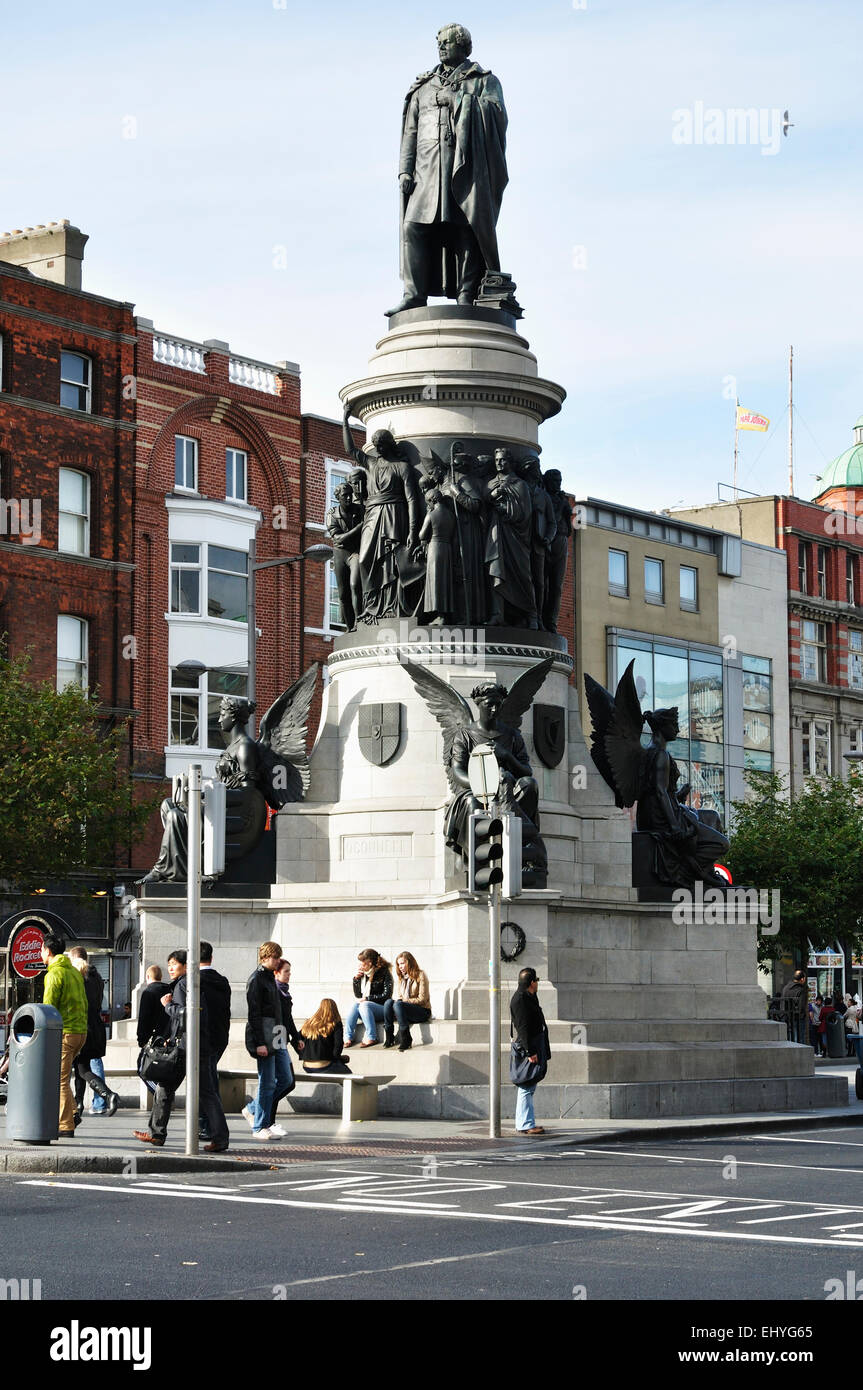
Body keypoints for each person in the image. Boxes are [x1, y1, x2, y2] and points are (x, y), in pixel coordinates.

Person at [389, 23, 509, 313]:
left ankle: (466, 294)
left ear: (463, 46)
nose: (441, 46)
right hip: (426, 171)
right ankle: (414, 294)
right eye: (439, 42)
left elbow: (497, 115)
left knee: (464, 228)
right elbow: (410, 132)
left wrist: (457, 100)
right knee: (413, 227)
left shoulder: (483, 80)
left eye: (447, 42)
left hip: (464, 169)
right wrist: (405, 170)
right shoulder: (423, 86)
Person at [133, 950, 190, 1147]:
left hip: (182, 1046)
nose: (171, 968)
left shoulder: (181, 986)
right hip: (180, 1044)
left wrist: (168, 1005)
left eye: (174, 964)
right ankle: (156, 1133)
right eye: (169, 964)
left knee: (166, 1088)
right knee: (164, 1088)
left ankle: (215, 1133)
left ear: (185, 965)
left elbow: (183, 1016)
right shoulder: (176, 985)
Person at [41, 934, 88, 1138]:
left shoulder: (54, 974)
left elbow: (48, 1009)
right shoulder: (74, 972)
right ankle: (73, 1113)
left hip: (65, 1033)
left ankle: (65, 1125)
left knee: (59, 1079)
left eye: (41, 949)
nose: (41, 953)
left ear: (48, 951)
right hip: (80, 1032)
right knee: (63, 1077)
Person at [243, 941, 291, 1141]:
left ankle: (254, 1112)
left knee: (285, 1079)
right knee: (267, 1082)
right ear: (265, 957)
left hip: (276, 1034)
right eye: (275, 957)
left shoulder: (269, 978)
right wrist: (260, 1042)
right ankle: (260, 1125)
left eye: (278, 957)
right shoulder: (256, 979)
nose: (278, 960)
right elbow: (254, 1013)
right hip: (266, 1035)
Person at [67, 947, 118, 1119]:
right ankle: (79, 1104)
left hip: (82, 1025)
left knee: (82, 1069)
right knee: (81, 1066)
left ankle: (107, 1094)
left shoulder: (79, 977)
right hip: (96, 1026)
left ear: (73, 959)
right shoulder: (97, 977)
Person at [198, 941, 231, 1152]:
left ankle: (206, 1126)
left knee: (206, 1087)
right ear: (211, 957)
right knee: (209, 1083)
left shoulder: (196, 981)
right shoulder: (222, 981)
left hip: (203, 1039)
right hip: (220, 1038)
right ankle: (208, 1127)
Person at [509, 966, 550, 1137]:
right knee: (526, 1085)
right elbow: (523, 1028)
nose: (538, 984)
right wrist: (530, 1052)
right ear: (532, 982)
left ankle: (524, 1122)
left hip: (534, 1044)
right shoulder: (521, 1000)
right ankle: (525, 1124)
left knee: (529, 1085)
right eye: (537, 981)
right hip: (528, 1046)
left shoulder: (528, 996)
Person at [265, 959, 303, 1138]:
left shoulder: (284, 993)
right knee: (284, 1081)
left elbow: (289, 1018)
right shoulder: (275, 992)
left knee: (288, 1082)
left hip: (282, 1040)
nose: (289, 974)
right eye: (286, 971)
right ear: (276, 973)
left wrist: (296, 1038)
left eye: (289, 971)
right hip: (275, 1040)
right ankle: (266, 1119)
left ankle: (261, 1114)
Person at [344, 949, 394, 1048]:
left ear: (369, 963)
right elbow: (358, 995)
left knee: (364, 1005)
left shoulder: (384, 973)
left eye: (362, 962)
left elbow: (387, 995)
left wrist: (368, 998)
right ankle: (348, 1037)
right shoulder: (364, 975)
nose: (360, 965)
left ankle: (372, 1037)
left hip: (383, 1008)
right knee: (355, 1005)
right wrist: (356, 980)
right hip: (366, 1010)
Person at [383, 952, 431, 1051]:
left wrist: (404, 1001)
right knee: (388, 1003)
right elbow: (401, 997)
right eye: (398, 964)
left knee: (398, 1004)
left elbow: (422, 999)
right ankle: (389, 1037)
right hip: (406, 1009)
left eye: (402, 963)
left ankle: (406, 1038)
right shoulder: (402, 978)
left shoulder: (420, 975)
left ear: (410, 962)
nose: (400, 966)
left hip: (422, 1011)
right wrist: (401, 1002)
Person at [136, 965, 170, 1096]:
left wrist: (141, 1039)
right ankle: (164, 1095)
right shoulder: (169, 989)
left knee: (142, 1068)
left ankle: (162, 1095)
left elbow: (144, 1018)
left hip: (153, 1039)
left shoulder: (148, 992)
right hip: (168, 1037)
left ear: (147, 976)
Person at [300, 1000, 351, 1075]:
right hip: (324, 1065)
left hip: (306, 1065)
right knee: (348, 1074)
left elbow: (296, 1040)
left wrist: (303, 1055)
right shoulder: (335, 1023)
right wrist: (336, 1059)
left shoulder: (309, 1023)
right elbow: (338, 1044)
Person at [781, 969, 809, 1045]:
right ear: (802, 979)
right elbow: (801, 1006)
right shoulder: (801, 990)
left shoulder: (785, 988)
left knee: (789, 1038)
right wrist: (802, 1016)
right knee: (799, 1039)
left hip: (785, 1017)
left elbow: (782, 1003)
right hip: (797, 1018)